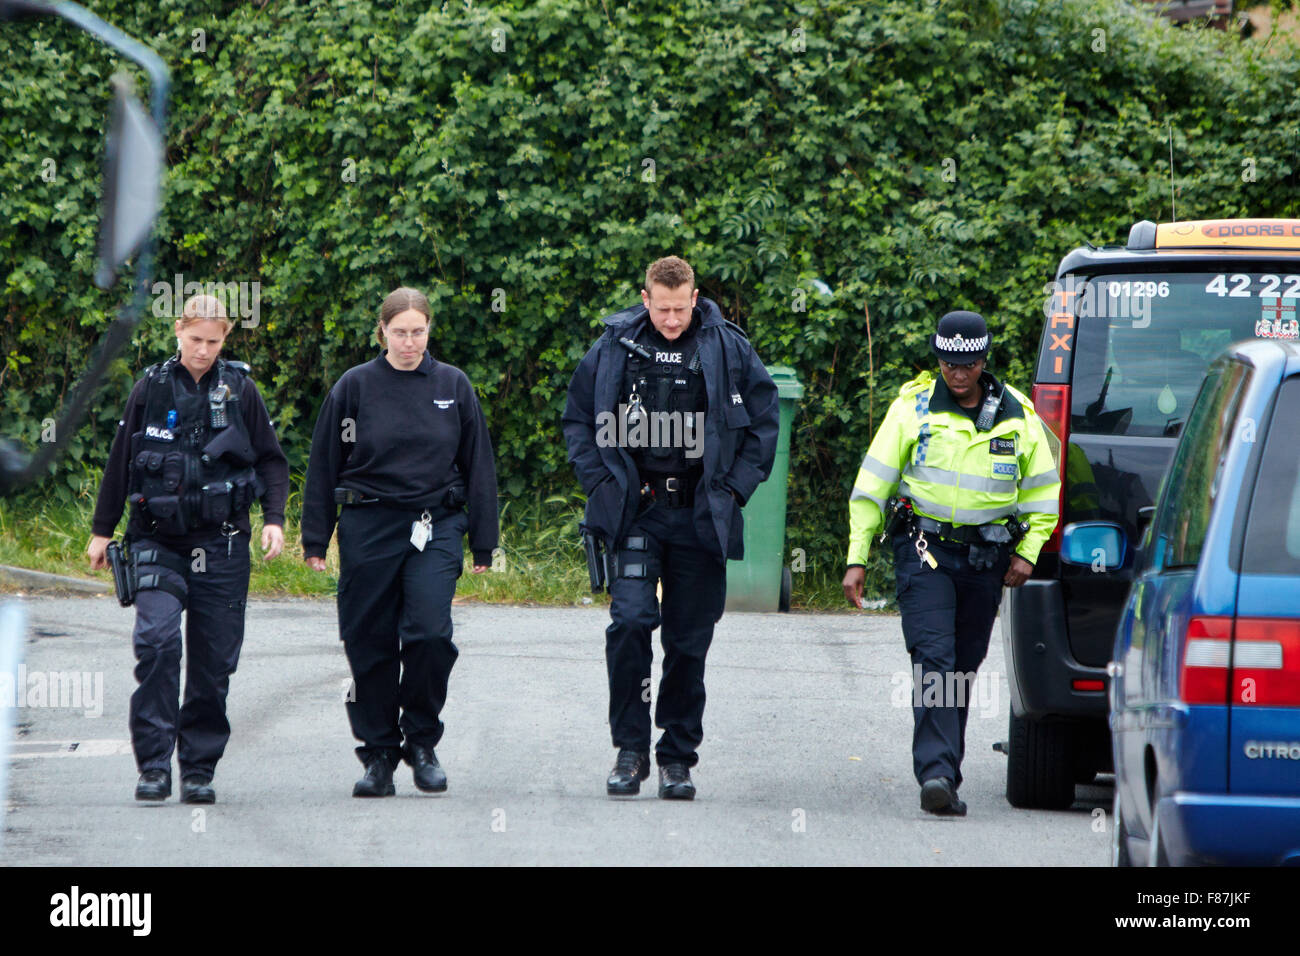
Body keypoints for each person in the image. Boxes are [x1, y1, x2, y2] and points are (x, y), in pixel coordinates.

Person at [563, 256, 779, 799]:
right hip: (636, 514)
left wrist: (734, 489)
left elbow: (763, 422)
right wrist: (602, 485)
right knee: (631, 624)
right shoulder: (613, 345)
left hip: (701, 515)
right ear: (645, 299)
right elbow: (578, 420)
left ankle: (677, 758)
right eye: (662, 310)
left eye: (681, 309)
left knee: (688, 643)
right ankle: (630, 750)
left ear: (694, 297)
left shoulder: (727, 346)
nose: (673, 320)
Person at [842, 310, 1061, 815]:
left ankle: (947, 772)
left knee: (962, 665)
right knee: (934, 659)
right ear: (938, 360)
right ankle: (937, 773)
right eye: (948, 364)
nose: (957, 374)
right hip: (926, 551)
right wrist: (857, 556)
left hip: (987, 560)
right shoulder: (913, 408)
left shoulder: (1020, 417)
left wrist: (1028, 553)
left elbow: (1044, 495)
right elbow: (871, 485)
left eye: (967, 364)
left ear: (984, 360)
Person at [87, 294, 289, 804]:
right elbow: (121, 459)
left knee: (212, 663)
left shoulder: (241, 390)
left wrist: (275, 521)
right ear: (178, 331)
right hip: (157, 540)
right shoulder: (150, 389)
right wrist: (102, 528)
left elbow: (271, 462)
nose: (202, 350)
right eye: (194, 339)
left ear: (226, 339)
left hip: (222, 546)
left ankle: (198, 768)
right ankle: (153, 766)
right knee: (156, 643)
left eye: (213, 341)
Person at [301, 286, 498, 798]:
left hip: (435, 525)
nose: (410, 342)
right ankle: (380, 753)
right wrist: (315, 538)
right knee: (368, 641)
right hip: (368, 525)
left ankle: (422, 740)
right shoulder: (355, 387)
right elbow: (324, 463)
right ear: (382, 331)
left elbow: (479, 466)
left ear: (429, 331)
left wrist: (484, 542)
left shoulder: (453, 386)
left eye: (419, 331)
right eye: (400, 332)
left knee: (430, 633)